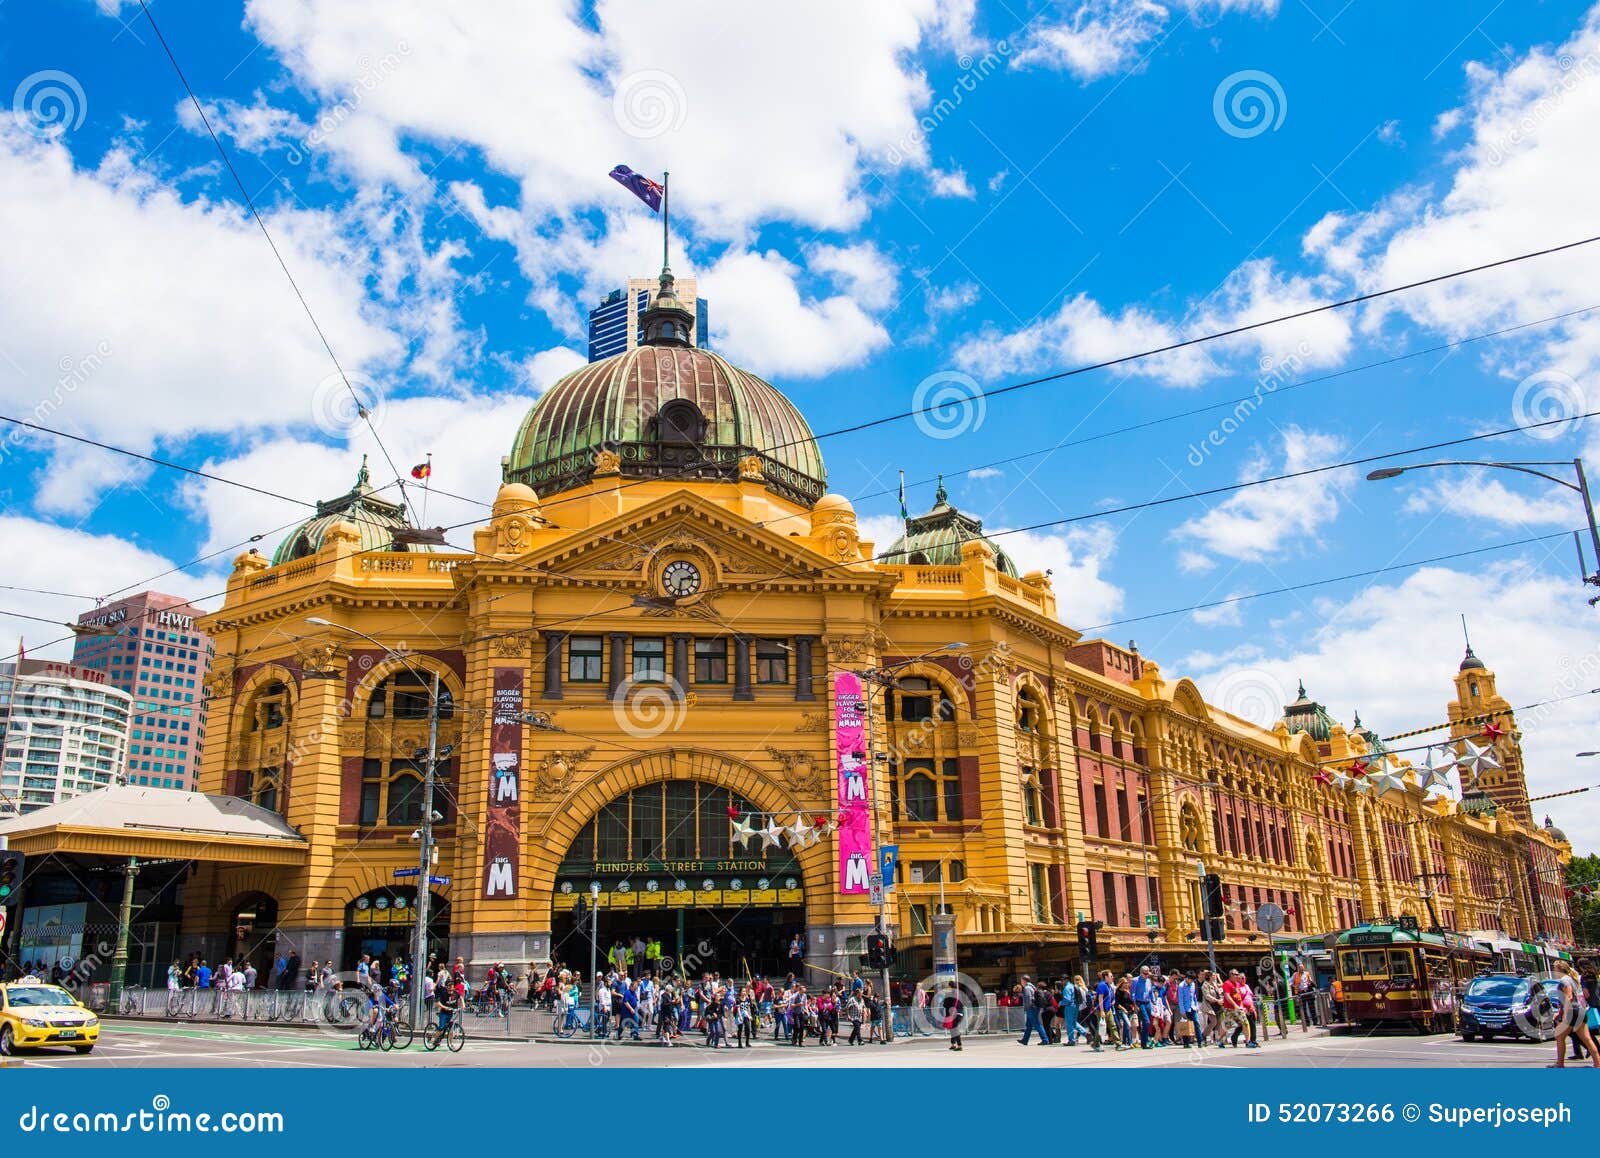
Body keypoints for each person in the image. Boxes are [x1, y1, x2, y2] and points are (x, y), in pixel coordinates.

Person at [1552, 960, 1599, 1068]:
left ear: (1559, 969)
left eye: (1555, 968)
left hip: (1572, 1012)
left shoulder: (1564, 980)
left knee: (1559, 1037)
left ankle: (1560, 1064)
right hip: (1579, 1010)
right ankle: (1597, 1063)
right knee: (1587, 1039)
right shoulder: (1572, 979)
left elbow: (1568, 997)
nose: (1554, 971)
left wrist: (1564, 1015)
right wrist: (1560, 1013)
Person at [1017, 975, 1049, 1046]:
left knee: (1037, 1024)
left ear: (1024, 980)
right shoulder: (1032, 987)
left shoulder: (1027, 988)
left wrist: (1028, 1008)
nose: (1021, 982)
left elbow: (1028, 999)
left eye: (1021, 980)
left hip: (1031, 1008)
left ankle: (1045, 1039)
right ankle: (1025, 1040)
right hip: (1033, 1008)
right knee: (1028, 1025)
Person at [941, 980, 964, 1051]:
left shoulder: (948, 994)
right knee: (953, 1029)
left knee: (954, 1029)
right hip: (960, 1012)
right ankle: (953, 1044)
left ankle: (959, 1045)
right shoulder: (959, 994)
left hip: (953, 1014)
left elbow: (945, 1005)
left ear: (950, 986)